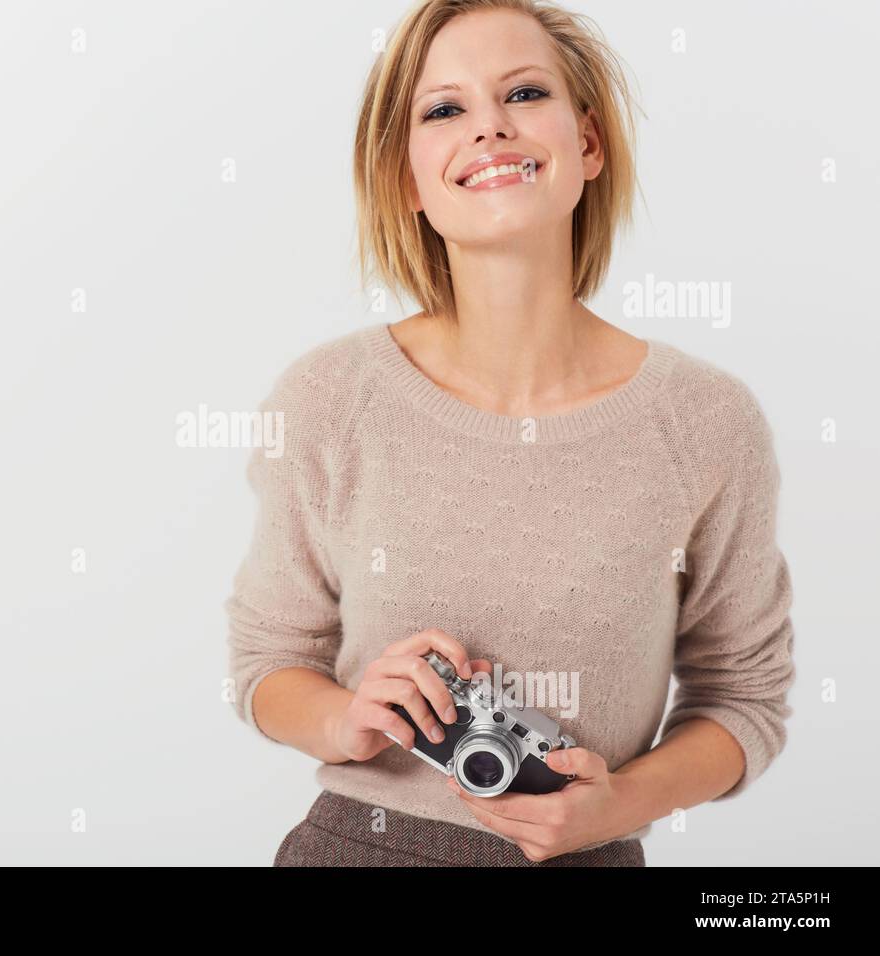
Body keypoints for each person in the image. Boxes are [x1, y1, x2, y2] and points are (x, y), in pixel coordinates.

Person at [225, 0, 795, 867]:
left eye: (524, 93)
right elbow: (266, 663)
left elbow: (745, 697)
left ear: (589, 144)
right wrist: (347, 719)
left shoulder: (707, 420)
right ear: (408, 182)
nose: (489, 128)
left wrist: (620, 805)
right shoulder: (329, 399)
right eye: (444, 110)